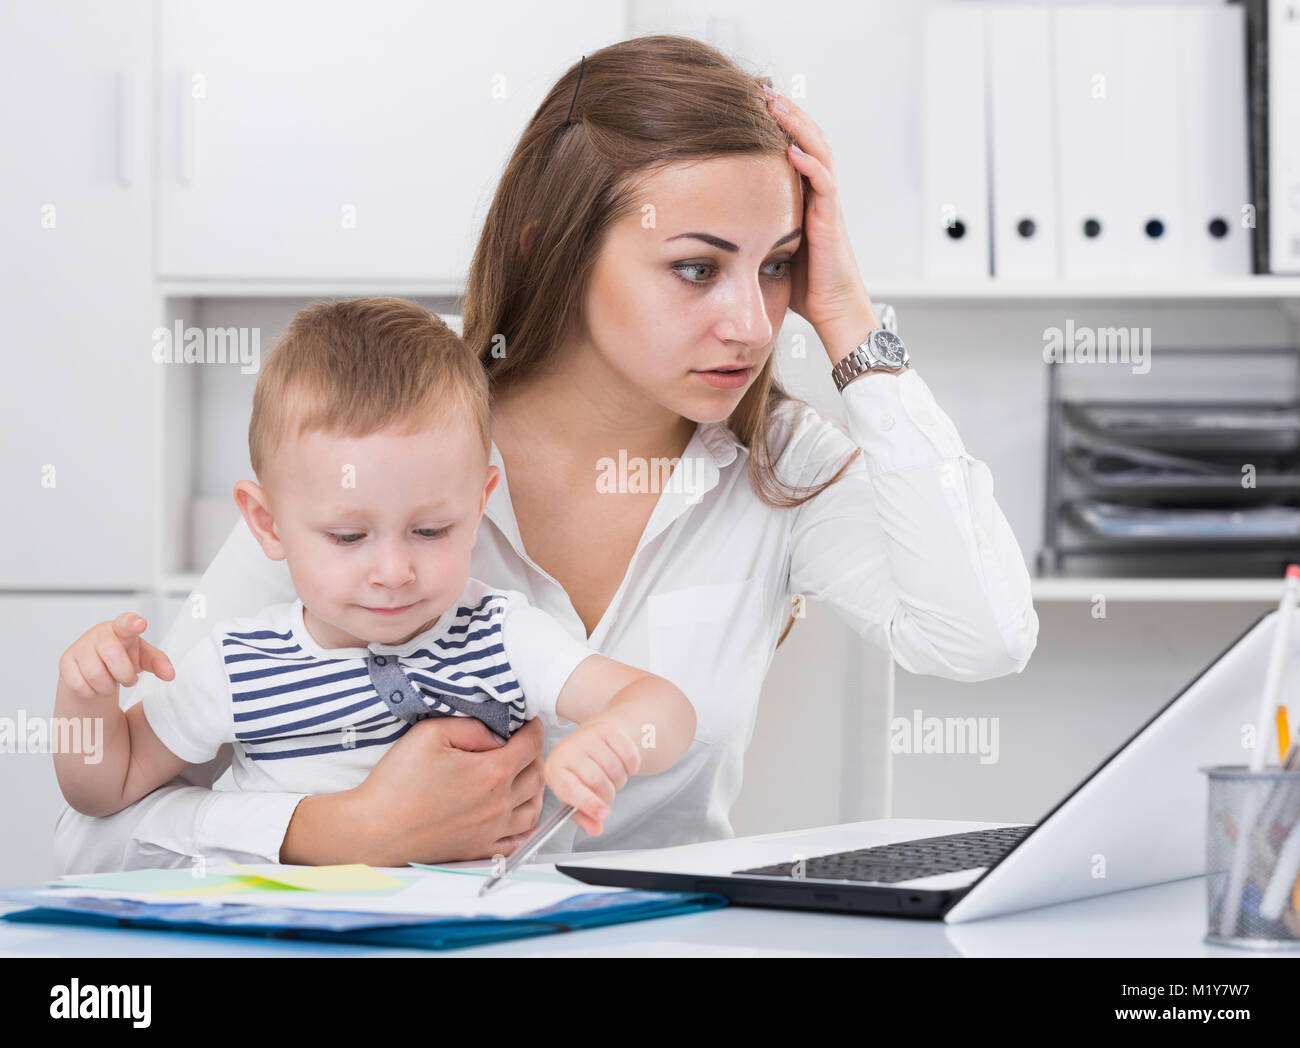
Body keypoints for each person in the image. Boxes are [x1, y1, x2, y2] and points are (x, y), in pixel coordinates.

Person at [53, 34, 1039, 873]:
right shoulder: (386, 444)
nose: (750, 322)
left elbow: (983, 635)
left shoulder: (781, 464)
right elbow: (92, 843)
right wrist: (340, 829)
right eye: (695, 268)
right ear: (551, 249)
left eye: (776, 266)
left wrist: (848, 319)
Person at [52, 298, 696, 842]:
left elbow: (660, 706)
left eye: (430, 530)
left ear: (477, 508)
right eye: (348, 535)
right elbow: (105, 788)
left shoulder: (499, 636)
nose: (393, 571)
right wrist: (85, 697)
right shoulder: (238, 665)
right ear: (267, 523)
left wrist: (615, 737)